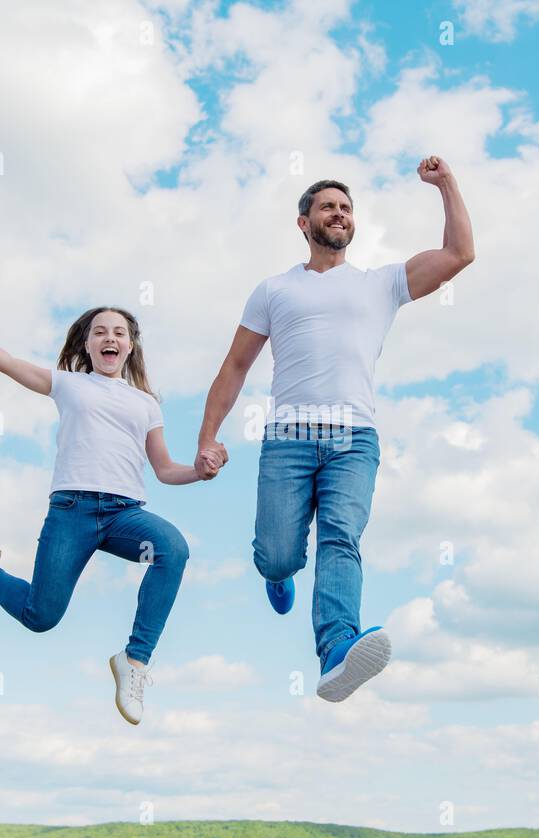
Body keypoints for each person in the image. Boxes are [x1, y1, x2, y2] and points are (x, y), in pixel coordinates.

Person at [194, 155, 475, 702]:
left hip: (355, 439)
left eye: (346, 207)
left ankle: (337, 649)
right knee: (278, 554)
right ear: (305, 223)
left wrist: (447, 185)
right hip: (288, 441)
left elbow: (459, 254)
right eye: (328, 206)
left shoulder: (382, 283)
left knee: (340, 539)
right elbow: (235, 366)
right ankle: (278, 573)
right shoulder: (274, 290)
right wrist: (208, 437)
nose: (339, 214)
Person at [0, 302, 219, 725]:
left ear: (130, 346)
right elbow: (10, 364)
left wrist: (199, 472)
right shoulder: (69, 385)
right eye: (100, 332)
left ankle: (135, 660)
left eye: (119, 333)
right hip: (72, 512)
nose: (110, 338)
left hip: (123, 515)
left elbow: (164, 469)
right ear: (87, 344)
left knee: (172, 549)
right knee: (41, 617)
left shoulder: (146, 403)